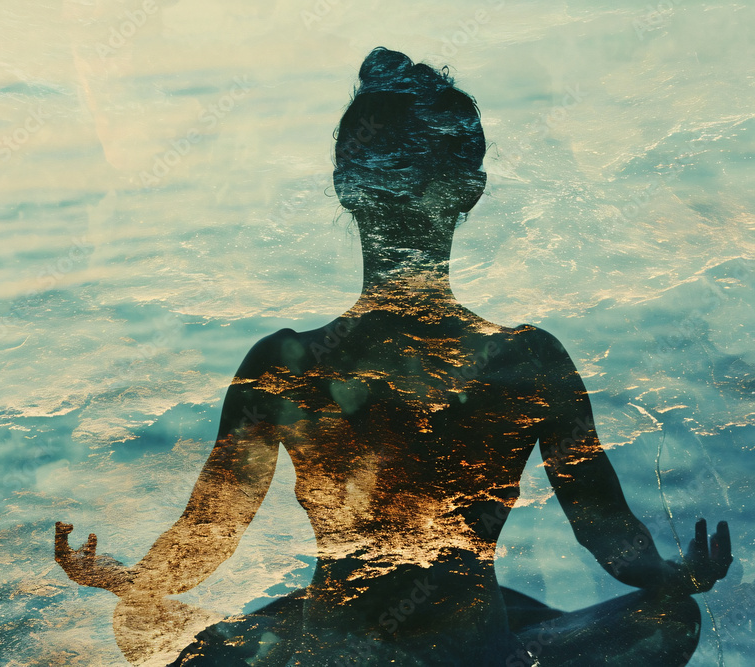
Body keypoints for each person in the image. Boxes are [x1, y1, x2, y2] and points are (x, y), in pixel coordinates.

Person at [54, 47, 732, 666]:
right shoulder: (529, 360)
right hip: (472, 652)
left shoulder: (284, 362)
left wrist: (132, 581)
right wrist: (678, 575)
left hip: (333, 653)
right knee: (672, 618)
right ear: (470, 190)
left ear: (347, 190)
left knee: (145, 621)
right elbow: (607, 533)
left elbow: (210, 532)